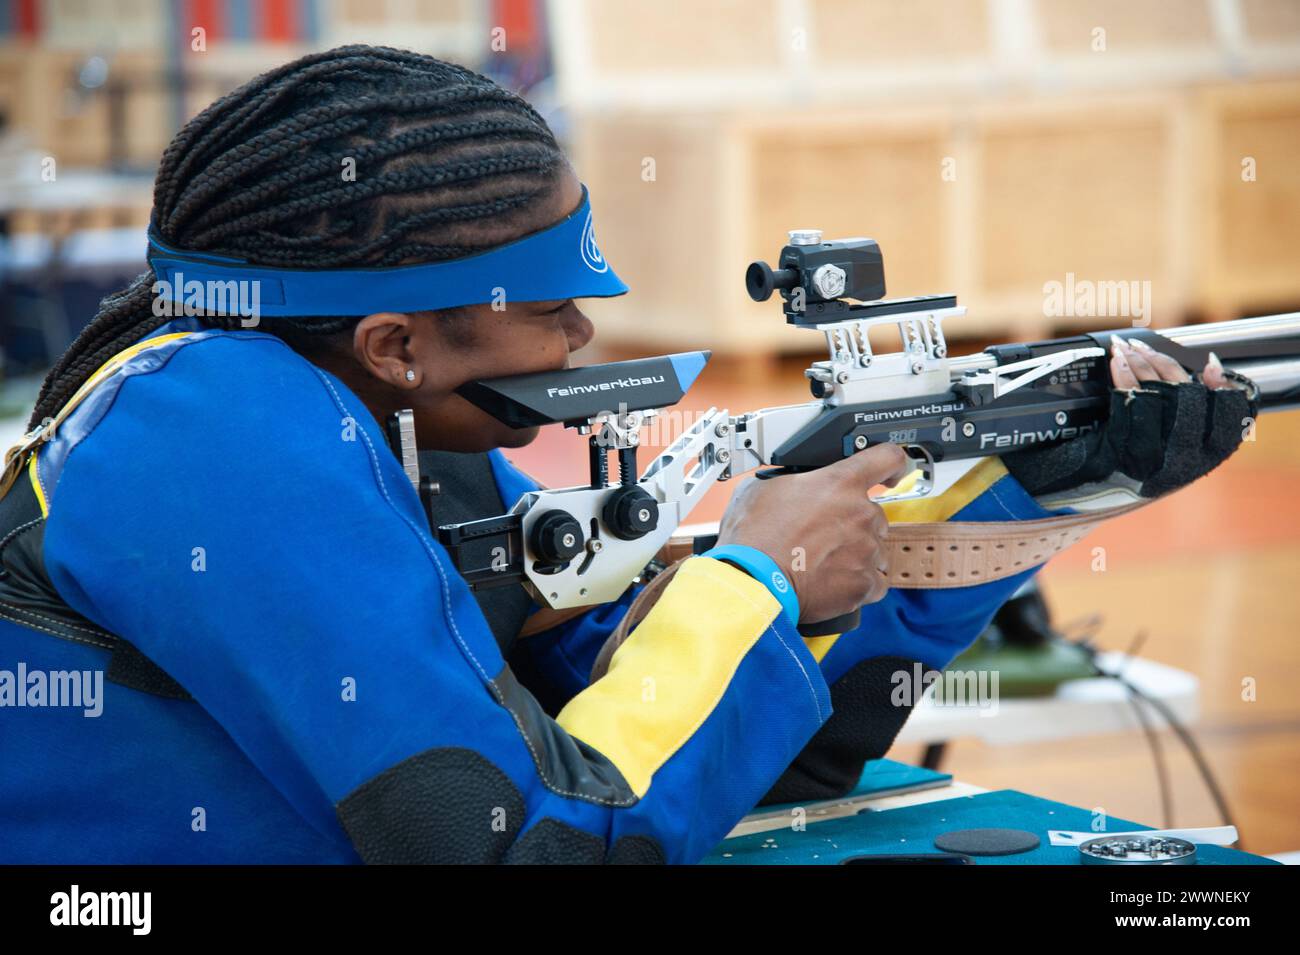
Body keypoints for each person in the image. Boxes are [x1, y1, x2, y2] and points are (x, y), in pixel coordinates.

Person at [0, 46, 1253, 864]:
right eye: (549, 309)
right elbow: (534, 842)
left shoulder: (394, 432)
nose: (586, 334)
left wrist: (1041, 477)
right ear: (393, 342)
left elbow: (716, 755)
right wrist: (750, 577)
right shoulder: (221, 441)